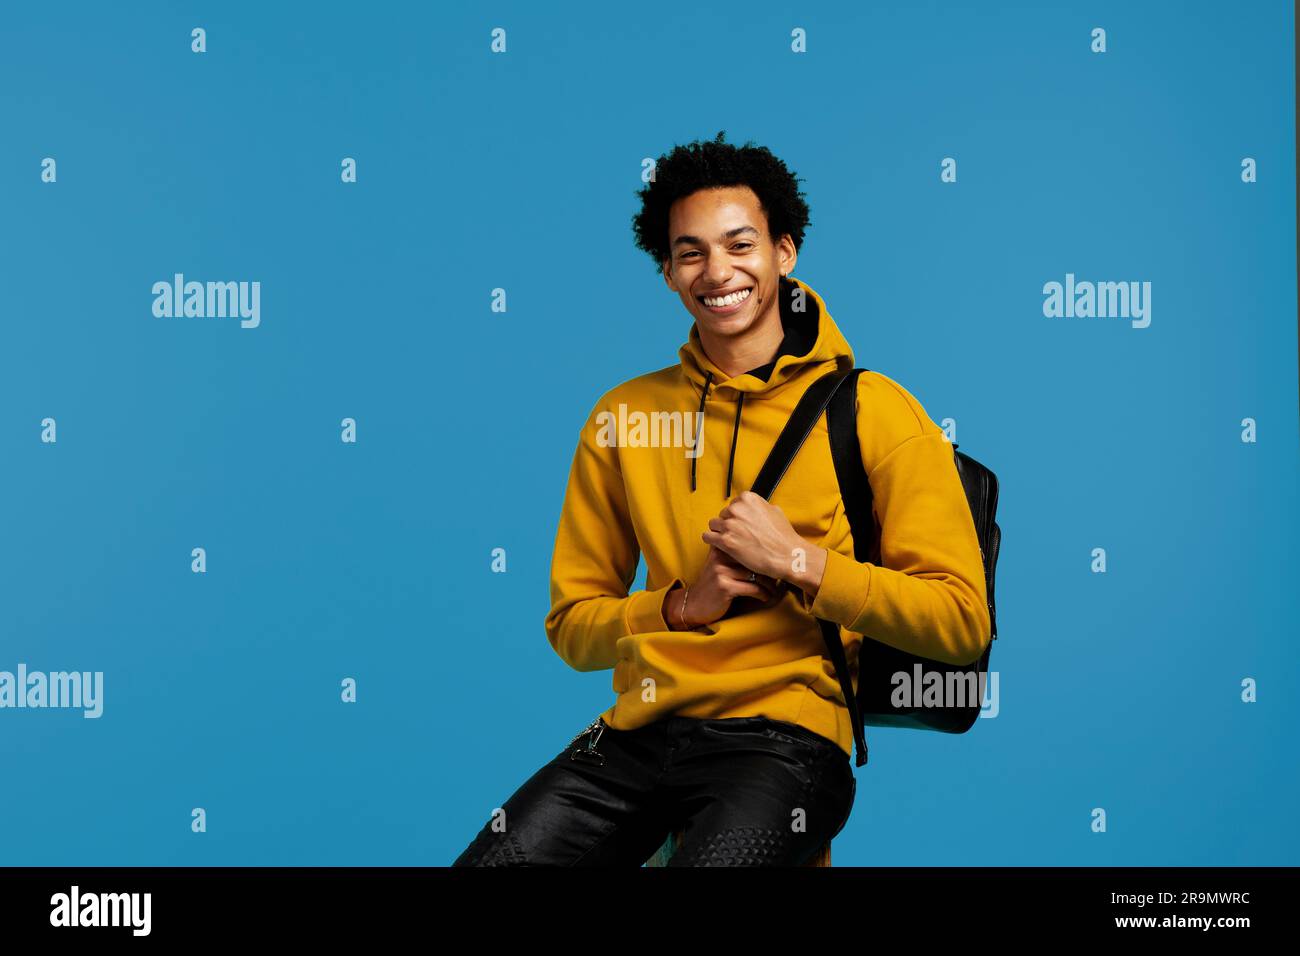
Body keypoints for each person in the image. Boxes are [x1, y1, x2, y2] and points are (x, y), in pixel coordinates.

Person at [453, 131, 990, 867]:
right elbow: (572, 628)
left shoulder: (876, 410)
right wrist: (678, 608)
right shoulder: (623, 417)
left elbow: (961, 625)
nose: (718, 271)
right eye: (690, 252)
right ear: (669, 274)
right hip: (636, 735)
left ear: (784, 252)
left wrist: (801, 562)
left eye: (740, 244)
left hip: (787, 743)